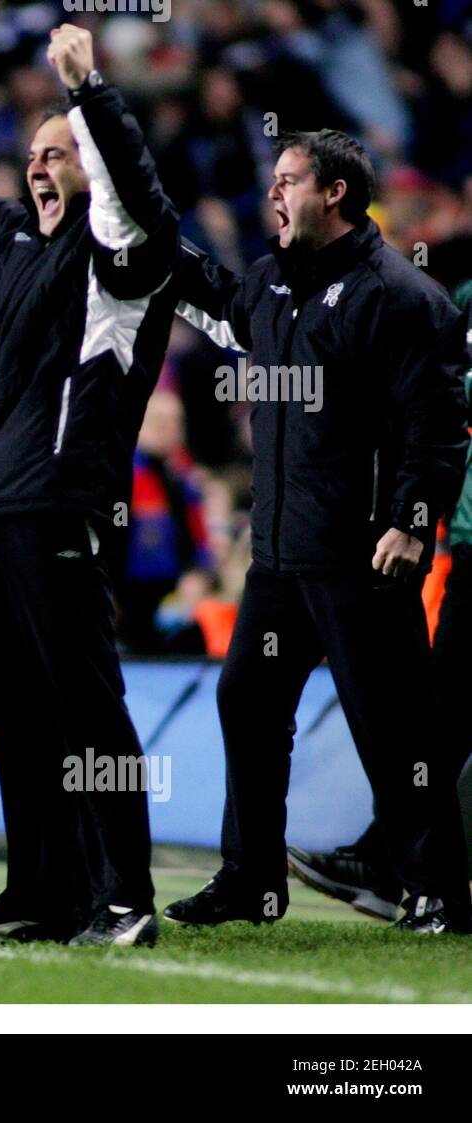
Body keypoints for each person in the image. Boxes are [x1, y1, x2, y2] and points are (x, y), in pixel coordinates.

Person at [0, 28, 180, 946]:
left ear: (90, 170)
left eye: (61, 154)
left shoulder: (119, 262)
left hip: (54, 506)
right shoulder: (13, 241)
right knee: (19, 718)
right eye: (36, 156)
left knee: (86, 703)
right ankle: (52, 895)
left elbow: (134, 194)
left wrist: (90, 89)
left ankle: (127, 897)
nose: (43, 167)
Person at [166, 129, 472, 934]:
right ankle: (248, 880)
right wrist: (142, 214)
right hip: (278, 558)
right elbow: (209, 289)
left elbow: (436, 423)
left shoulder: (399, 295)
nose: (273, 193)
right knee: (246, 700)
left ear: (335, 193)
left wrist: (412, 522)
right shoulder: (270, 284)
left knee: (393, 726)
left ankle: (437, 889)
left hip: (363, 556)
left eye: (289, 179)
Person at [284, 303, 472, 920]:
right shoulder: (459, 301)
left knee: (441, 715)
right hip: (469, 542)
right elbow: (437, 405)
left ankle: (389, 861)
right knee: (441, 714)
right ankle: (390, 861)